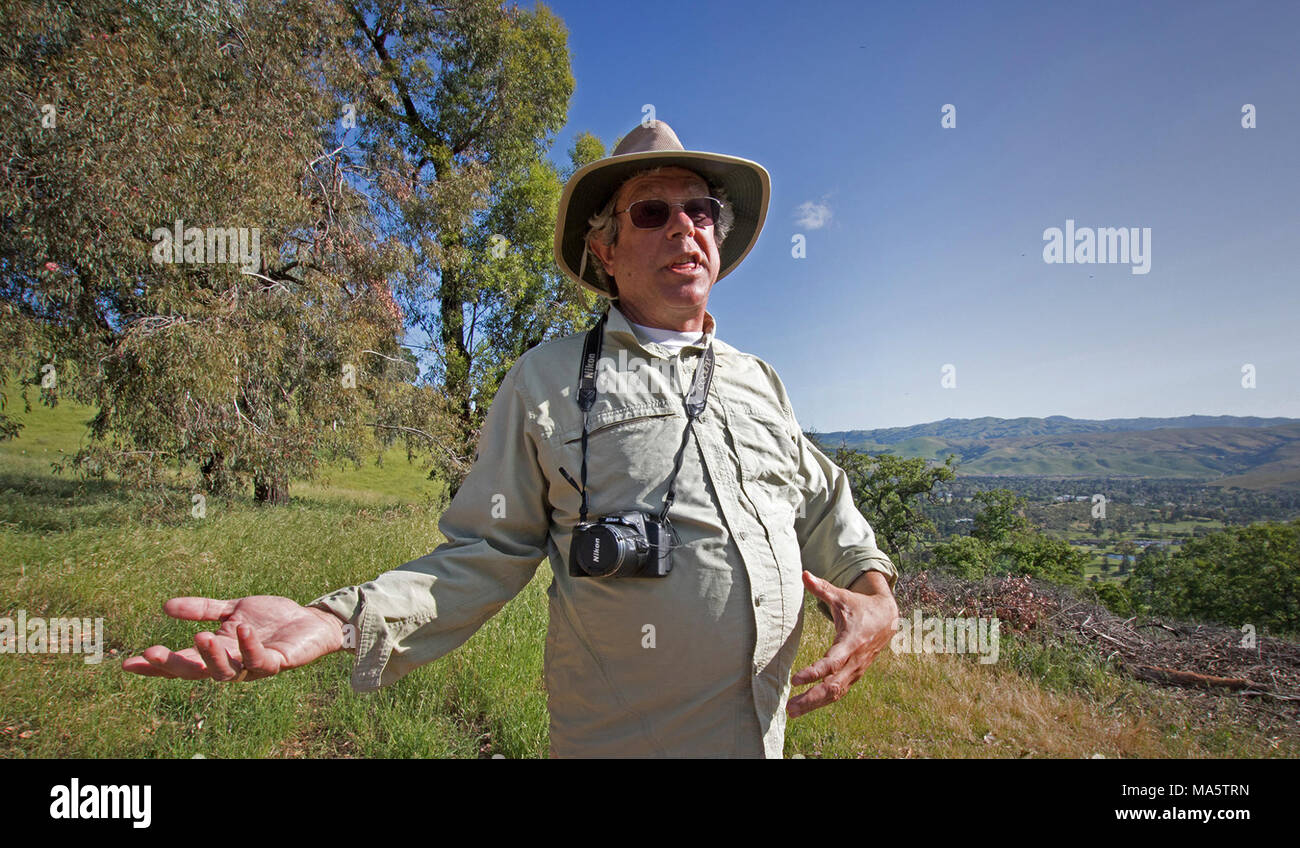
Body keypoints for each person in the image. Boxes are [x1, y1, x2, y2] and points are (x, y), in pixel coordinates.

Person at [123, 121, 900, 758]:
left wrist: (878, 599)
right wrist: (334, 621)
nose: (685, 230)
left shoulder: (757, 378)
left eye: (700, 211)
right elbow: (481, 555)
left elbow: (825, 500)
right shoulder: (547, 380)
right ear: (605, 249)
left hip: (761, 740)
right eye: (651, 213)